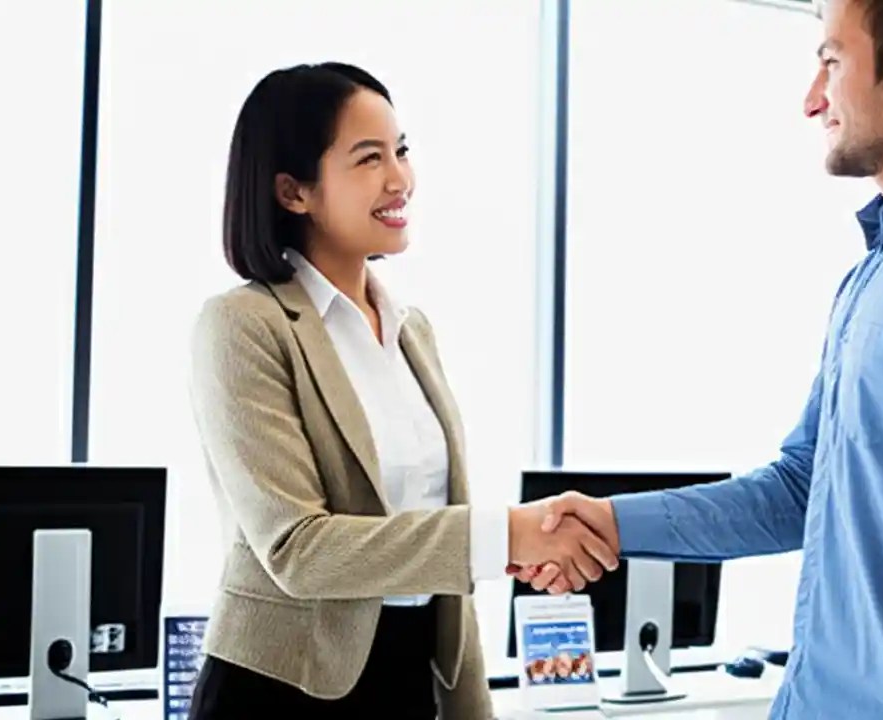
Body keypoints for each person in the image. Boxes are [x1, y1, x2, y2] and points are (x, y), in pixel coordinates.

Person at [512, 0, 883, 717]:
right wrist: (609, 521)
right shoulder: (879, 272)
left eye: (831, 62)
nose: (812, 99)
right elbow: (801, 489)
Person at [186, 62, 616, 719]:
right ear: (294, 192)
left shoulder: (412, 331)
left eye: (401, 151)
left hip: (409, 679)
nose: (400, 179)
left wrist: (472, 705)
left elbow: (438, 547)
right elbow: (298, 551)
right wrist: (507, 535)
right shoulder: (243, 326)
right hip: (280, 690)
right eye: (369, 158)